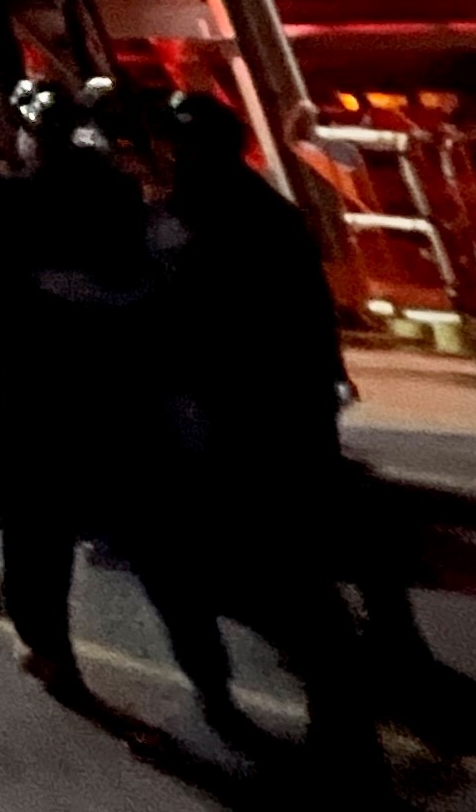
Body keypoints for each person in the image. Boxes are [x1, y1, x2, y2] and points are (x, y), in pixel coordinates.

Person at [0, 76, 167, 703]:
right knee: (150, 525)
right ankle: (212, 680)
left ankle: (48, 648)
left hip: (38, 396)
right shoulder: (120, 191)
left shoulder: (7, 201)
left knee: (37, 527)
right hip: (119, 389)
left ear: (29, 139)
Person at [148, 90, 380, 777]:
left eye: (175, 143)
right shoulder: (260, 213)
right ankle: (343, 710)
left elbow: (188, 320)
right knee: (292, 574)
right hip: (270, 418)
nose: (168, 154)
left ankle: (332, 723)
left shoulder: (203, 220)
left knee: (273, 577)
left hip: (239, 423)